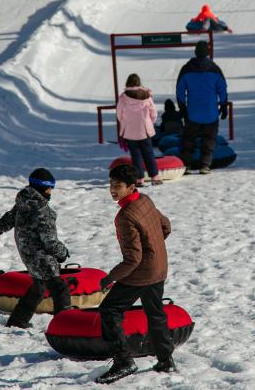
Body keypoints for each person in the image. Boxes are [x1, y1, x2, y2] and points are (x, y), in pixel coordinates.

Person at [0, 168, 71, 329]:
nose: (51, 191)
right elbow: (50, 242)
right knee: (60, 290)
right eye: (50, 188)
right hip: (42, 257)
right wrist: (62, 253)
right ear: (43, 187)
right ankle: (64, 327)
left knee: (38, 289)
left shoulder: (22, 204)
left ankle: (17, 322)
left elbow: (3, 223)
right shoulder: (42, 211)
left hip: (27, 256)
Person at [95, 164, 176, 384]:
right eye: (111, 185)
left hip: (141, 272)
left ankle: (123, 361)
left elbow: (133, 259)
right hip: (159, 267)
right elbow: (166, 226)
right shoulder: (145, 200)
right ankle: (166, 360)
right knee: (155, 313)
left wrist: (110, 278)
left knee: (110, 310)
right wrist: (154, 249)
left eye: (118, 186)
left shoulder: (126, 216)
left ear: (131, 187)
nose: (113, 190)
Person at [175, 40, 228, 174]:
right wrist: (223, 105)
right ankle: (205, 165)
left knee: (188, 139)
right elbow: (222, 89)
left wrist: (182, 107)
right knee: (209, 139)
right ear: (207, 52)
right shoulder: (215, 69)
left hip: (192, 112)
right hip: (211, 112)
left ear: (195, 52)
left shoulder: (186, 69)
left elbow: (180, 90)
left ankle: (186, 165)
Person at [117, 74, 160, 185]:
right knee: (148, 153)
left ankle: (139, 179)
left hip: (130, 130)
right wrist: (150, 122)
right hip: (145, 129)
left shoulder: (123, 96)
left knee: (135, 155)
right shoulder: (146, 95)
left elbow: (119, 114)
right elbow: (154, 112)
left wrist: (125, 122)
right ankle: (154, 177)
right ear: (139, 82)